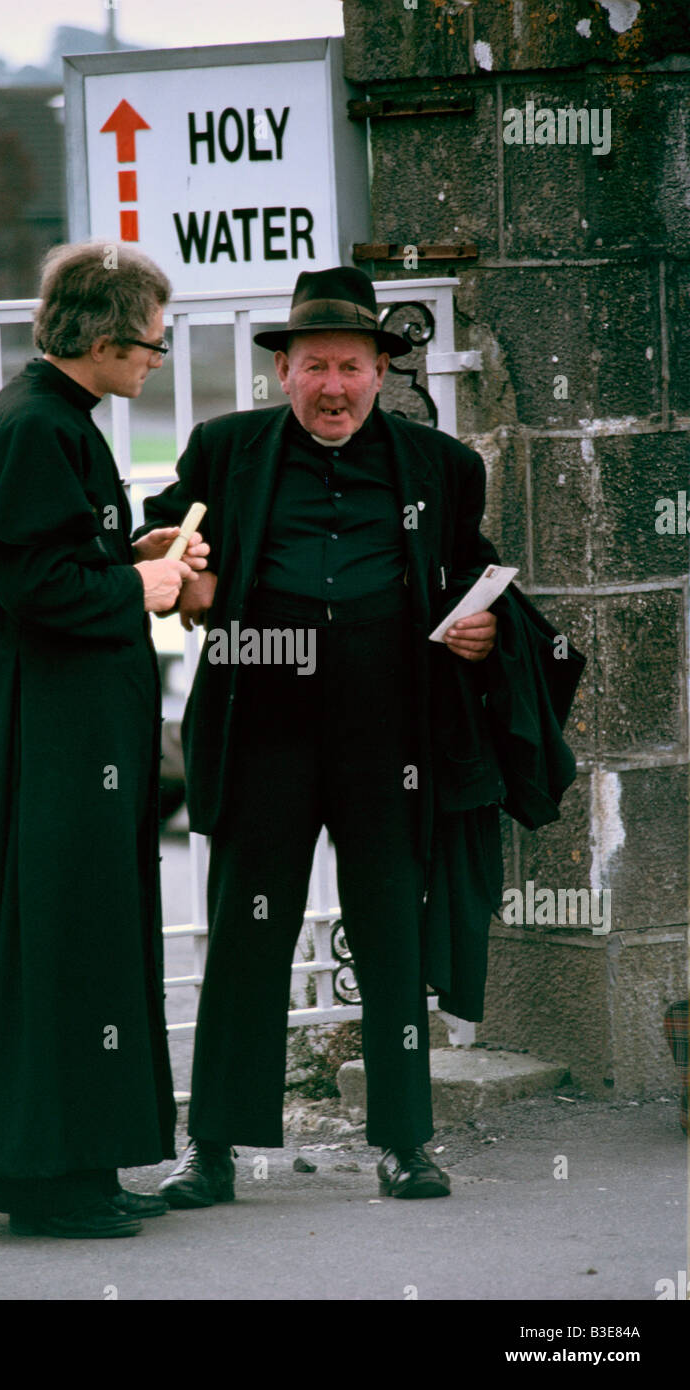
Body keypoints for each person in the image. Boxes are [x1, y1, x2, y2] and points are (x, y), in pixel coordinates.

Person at [138, 265, 584, 1207]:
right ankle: (211, 1149)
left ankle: (406, 1143)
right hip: (264, 725)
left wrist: (485, 632)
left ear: (382, 371)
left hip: (395, 739)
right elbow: (163, 538)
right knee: (246, 938)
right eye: (314, 366)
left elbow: (477, 578)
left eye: (351, 365)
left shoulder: (443, 469)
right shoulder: (226, 450)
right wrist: (180, 565)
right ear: (284, 371)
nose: (332, 386)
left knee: (392, 937)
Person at [0, 241, 208, 1239]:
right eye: (152, 345)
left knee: (71, 942)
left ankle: (71, 1165)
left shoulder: (49, 417)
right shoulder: (38, 425)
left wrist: (130, 550)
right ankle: (54, 1180)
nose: (157, 360)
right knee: (63, 941)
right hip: (56, 740)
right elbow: (34, 591)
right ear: (107, 340)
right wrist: (139, 588)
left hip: (62, 731)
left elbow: (50, 556)